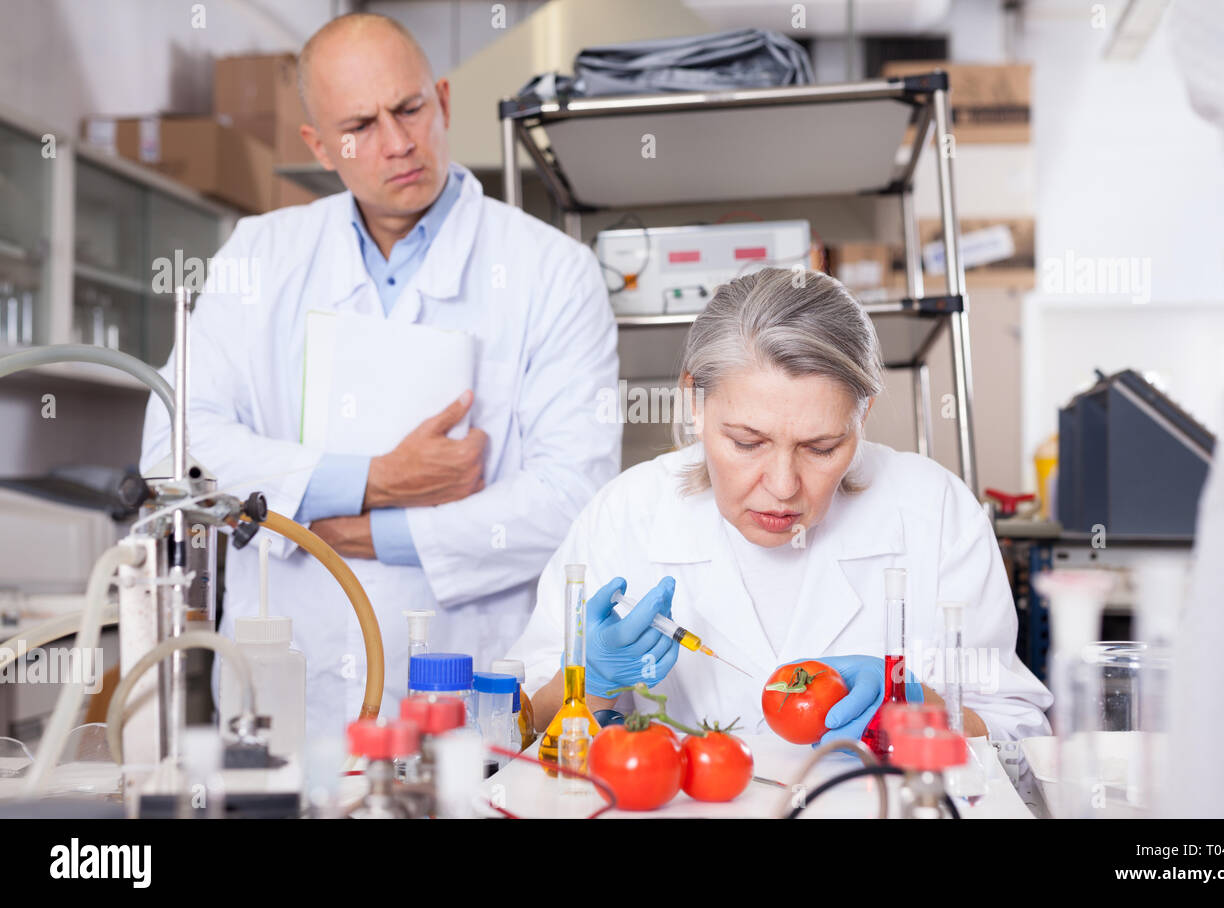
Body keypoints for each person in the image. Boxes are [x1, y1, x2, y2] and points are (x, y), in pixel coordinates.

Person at [139, 13, 620, 740]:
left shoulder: (553, 271)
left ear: (445, 101)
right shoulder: (260, 253)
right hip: (282, 687)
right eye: (360, 125)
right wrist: (375, 477)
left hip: (468, 686)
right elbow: (176, 448)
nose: (397, 143)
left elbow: (572, 498)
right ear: (320, 146)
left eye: (410, 108)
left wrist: (362, 531)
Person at [508, 267, 1050, 743]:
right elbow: (518, 731)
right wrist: (591, 683)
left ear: (862, 417)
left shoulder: (936, 512)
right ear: (693, 401)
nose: (784, 485)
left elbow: (1019, 738)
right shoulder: (626, 513)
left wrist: (919, 707)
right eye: (747, 443)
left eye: (821, 448)